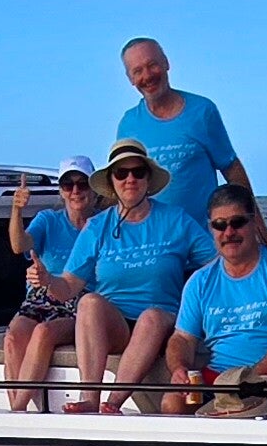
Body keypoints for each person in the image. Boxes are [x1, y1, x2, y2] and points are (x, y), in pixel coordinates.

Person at [52, 139, 211, 415]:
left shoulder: (177, 220)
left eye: (138, 172)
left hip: (163, 320)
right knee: (88, 302)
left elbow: (218, 264)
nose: (130, 179)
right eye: (121, 173)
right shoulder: (97, 226)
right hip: (118, 326)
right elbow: (68, 287)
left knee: (151, 317)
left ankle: (112, 403)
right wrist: (45, 279)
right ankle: (89, 397)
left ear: (148, 178)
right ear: (111, 181)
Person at [166, 185, 267, 416]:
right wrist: (179, 369)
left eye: (237, 222)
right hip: (218, 377)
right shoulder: (200, 281)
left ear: (254, 222)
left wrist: (247, 378)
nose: (228, 232)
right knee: (172, 402)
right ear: (210, 228)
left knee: (244, 405)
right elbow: (182, 338)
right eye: (219, 225)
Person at [115, 38, 254, 225]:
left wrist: (255, 222)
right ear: (130, 79)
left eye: (152, 65)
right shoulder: (128, 124)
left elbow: (231, 168)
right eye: (137, 71)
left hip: (205, 240)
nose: (147, 76)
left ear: (166, 63)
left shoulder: (202, 111)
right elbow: (125, 187)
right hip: (158, 243)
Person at [2, 154, 96, 410]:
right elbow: (18, 244)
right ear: (61, 191)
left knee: (43, 333)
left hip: (80, 300)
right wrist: (17, 209)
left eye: (82, 184)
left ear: (94, 187)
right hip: (40, 297)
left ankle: (17, 413)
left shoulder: (102, 224)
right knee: (13, 338)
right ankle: (19, 413)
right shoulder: (48, 219)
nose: (75, 190)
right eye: (68, 185)